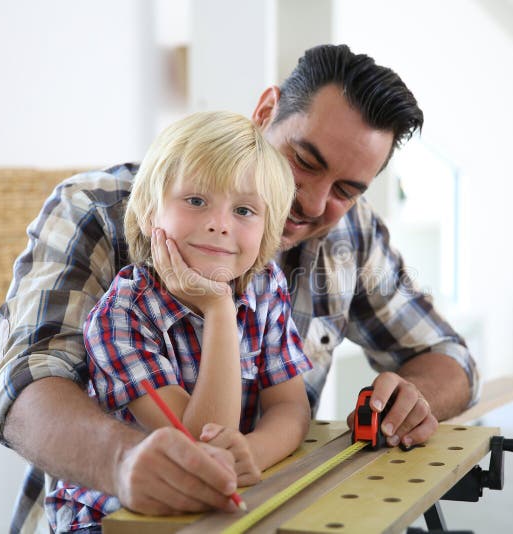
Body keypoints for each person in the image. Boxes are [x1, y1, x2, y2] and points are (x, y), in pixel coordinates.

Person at [0, 44, 479, 531]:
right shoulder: (94, 213)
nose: (310, 202)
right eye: (304, 161)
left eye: (347, 190)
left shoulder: (345, 240)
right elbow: (26, 385)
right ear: (265, 112)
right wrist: (122, 460)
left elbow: (449, 357)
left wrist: (413, 401)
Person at [44, 111, 312, 532]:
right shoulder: (123, 314)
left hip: (214, 505)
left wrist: (251, 453)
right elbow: (197, 446)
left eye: (244, 210)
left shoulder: (266, 288)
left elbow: (291, 407)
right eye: (196, 201)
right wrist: (219, 309)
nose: (219, 224)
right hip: (113, 519)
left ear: (268, 231)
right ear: (151, 213)